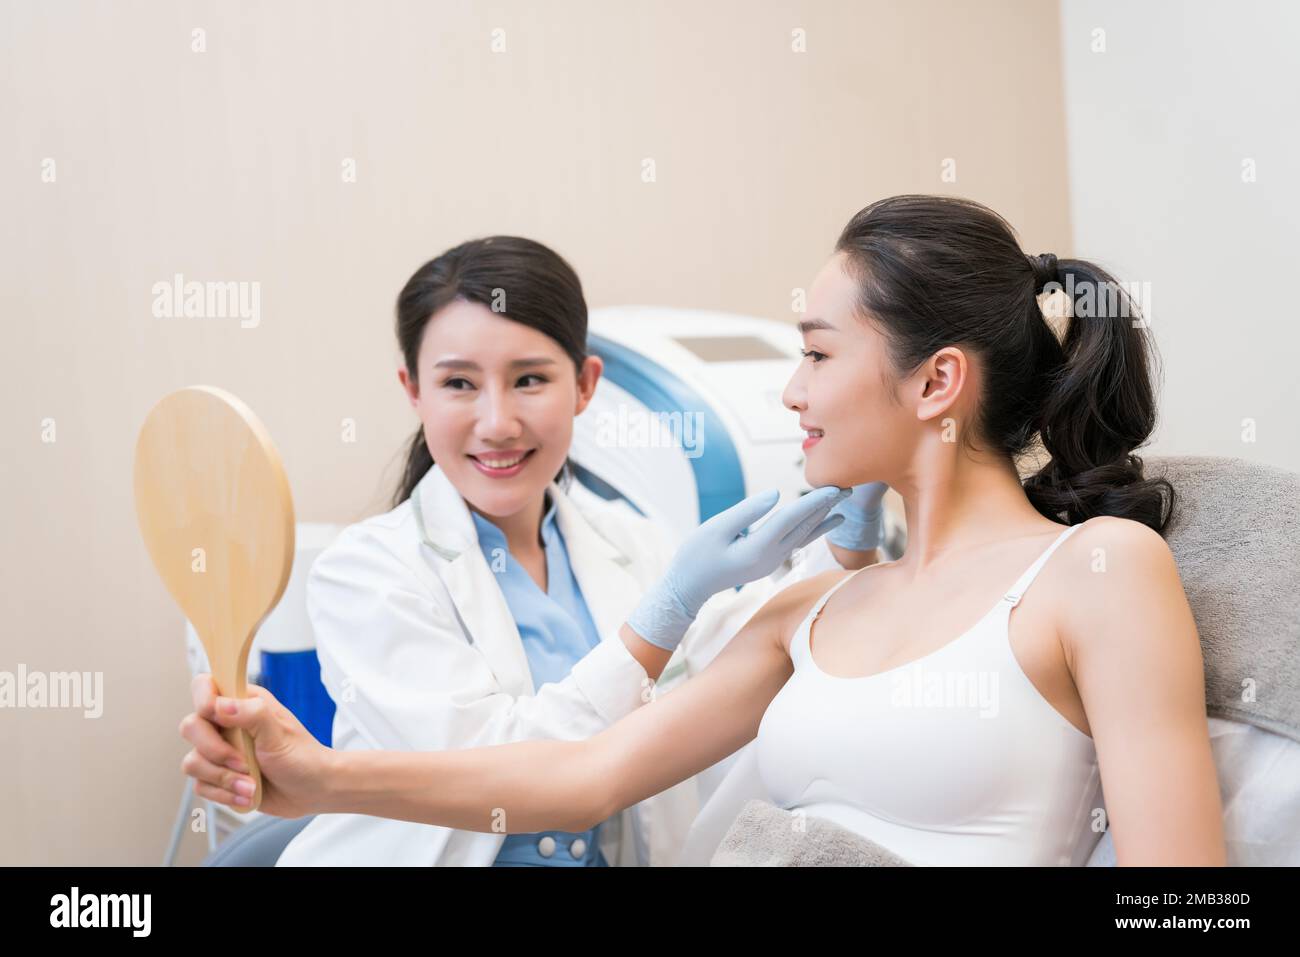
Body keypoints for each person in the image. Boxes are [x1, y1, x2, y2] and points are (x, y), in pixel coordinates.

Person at [181, 196, 1226, 866]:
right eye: (457, 384)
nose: (789, 392)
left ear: (935, 380)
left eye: (816, 355)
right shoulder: (814, 607)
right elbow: (578, 778)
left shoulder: (1094, 572)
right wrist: (317, 776)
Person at [217, 235, 887, 867]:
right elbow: (502, 773)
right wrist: (663, 614)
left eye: (530, 380)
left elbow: (742, 660)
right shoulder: (365, 574)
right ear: (413, 391)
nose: (497, 422)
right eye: (458, 384)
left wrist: (844, 550)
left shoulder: (628, 537)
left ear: (585, 384)